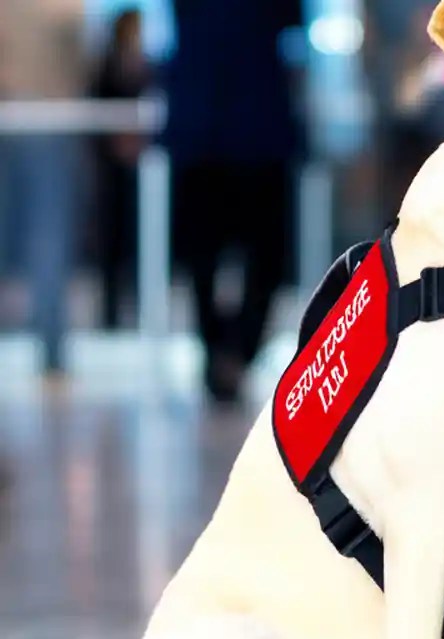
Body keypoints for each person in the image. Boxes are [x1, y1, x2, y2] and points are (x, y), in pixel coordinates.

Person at [164, 0, 305, 403]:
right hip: (246, 127)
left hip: (227, 128)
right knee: (225, 260)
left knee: (225, 260)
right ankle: (230, 352)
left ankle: (229, 352)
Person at [0, 0, 86, 377]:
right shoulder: (65, 8)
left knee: (43, 238)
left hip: (27, 113)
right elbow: (82, 60)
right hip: (49, 117)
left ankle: (52, 348)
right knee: (48, 235)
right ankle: (51, 351)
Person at [90, 8, 151, 329]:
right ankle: (112, 315)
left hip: (142, 171)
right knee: (113, 242)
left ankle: (139, 311)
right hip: (111, 171)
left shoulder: (148, 66)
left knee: (140, 241)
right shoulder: (106, 66)